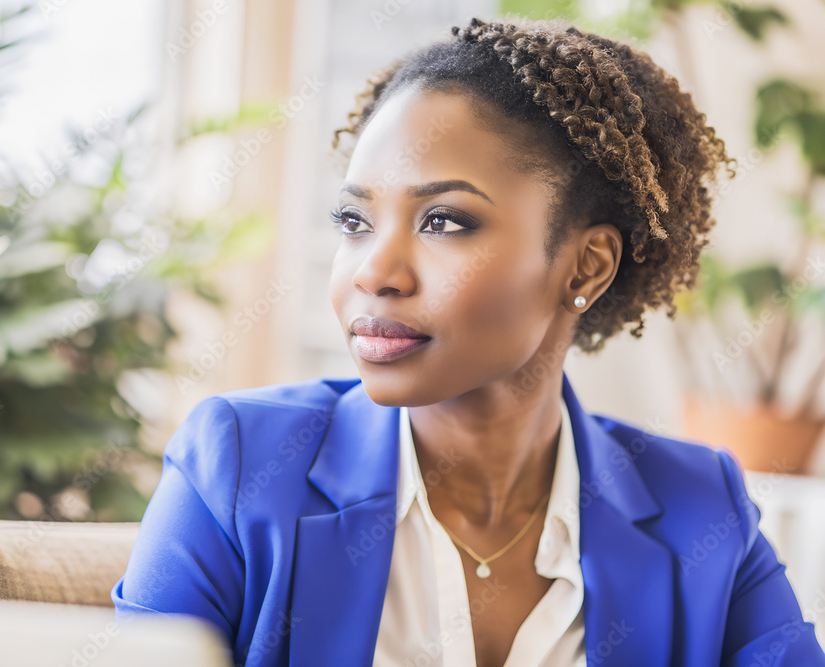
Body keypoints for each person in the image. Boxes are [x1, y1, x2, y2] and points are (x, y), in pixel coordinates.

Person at [111, 17, 825, 667]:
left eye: (444, 221)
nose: (375, 272)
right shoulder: (239, 467)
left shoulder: (701, 509)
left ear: (587, 265)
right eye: (354, 221)